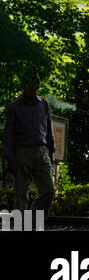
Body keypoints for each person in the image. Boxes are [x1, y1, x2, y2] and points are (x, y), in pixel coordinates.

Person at [3, 72, 56, 213]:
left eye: (37, 86)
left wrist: (51, 150)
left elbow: (49, 128)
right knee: (21, 194)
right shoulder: (14, 107)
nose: (34, 89)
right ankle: (20, 226)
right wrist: (9, 157)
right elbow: (9, 134)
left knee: (49, 191)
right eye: (31, 86)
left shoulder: (44, 104)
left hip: (42, 151)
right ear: (23, 86)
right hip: (21, 152)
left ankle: (32, 221)